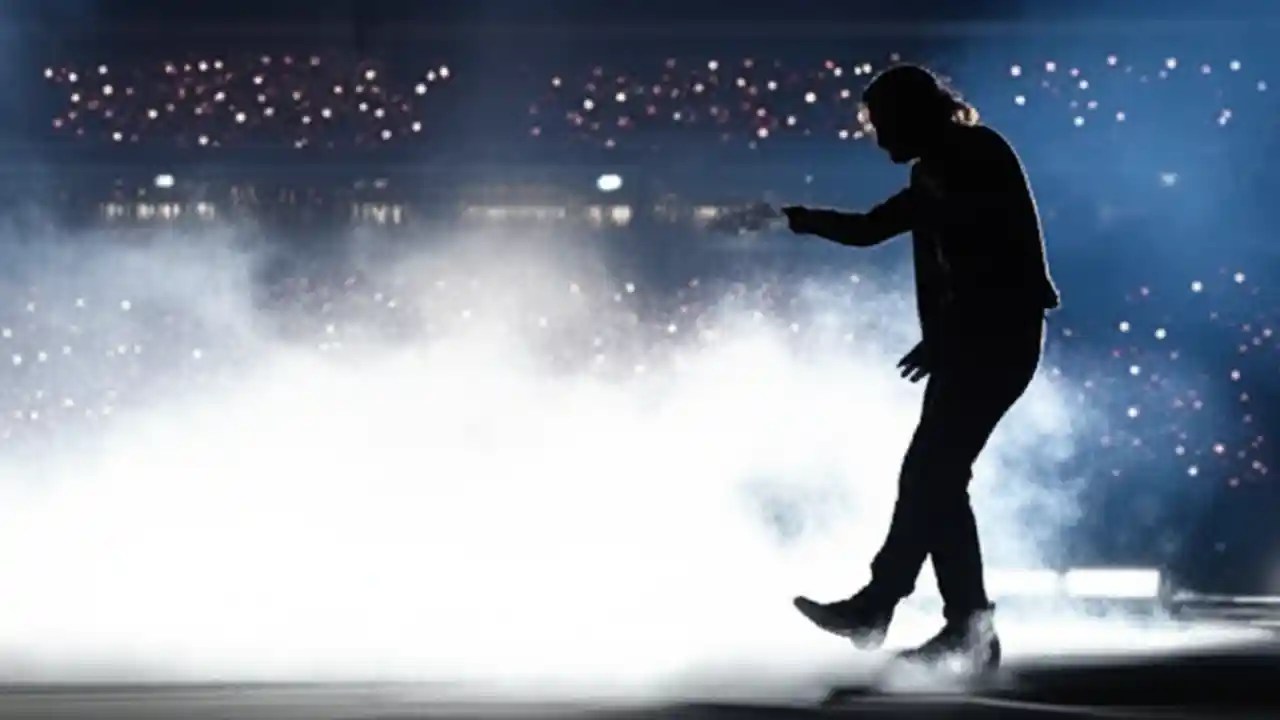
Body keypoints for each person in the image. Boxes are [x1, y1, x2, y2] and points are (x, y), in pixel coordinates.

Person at [782, 64, 1060, 671]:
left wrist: (946, 338)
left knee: (932, 475)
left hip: (995, 338)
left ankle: (899, 608)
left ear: (911, 115)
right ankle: (956, 624)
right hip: (977, 341)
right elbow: (871, 230)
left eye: (882, 124)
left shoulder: (970, 158)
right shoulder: (940, 165)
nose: (879, 138)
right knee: (936, 479)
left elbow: (990, 260)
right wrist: (796, 219)